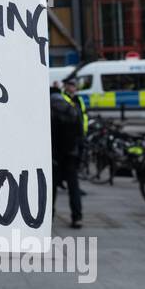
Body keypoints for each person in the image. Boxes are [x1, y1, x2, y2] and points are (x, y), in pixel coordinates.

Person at [49, 77, 86, 230]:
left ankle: (48, 217)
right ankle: (77, 217)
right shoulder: (71, 108)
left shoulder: (49, 110)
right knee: (73, 187)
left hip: (55, 155)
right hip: (71, 153)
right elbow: (79, 131)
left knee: (51, 188)